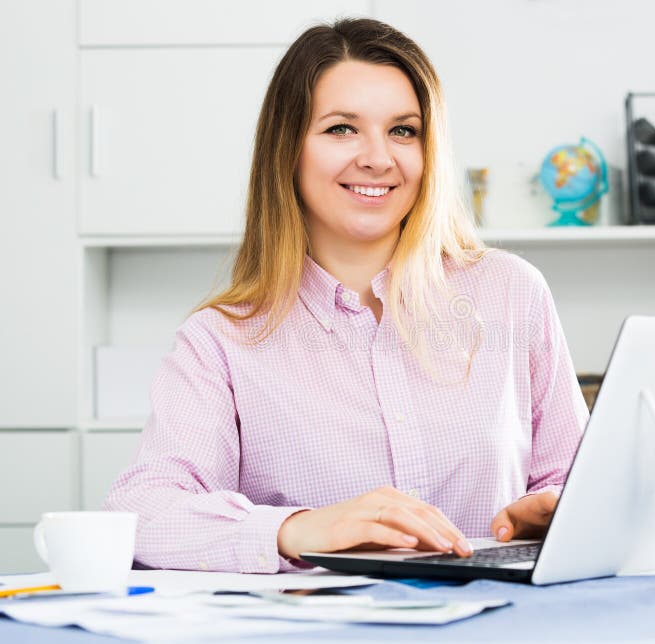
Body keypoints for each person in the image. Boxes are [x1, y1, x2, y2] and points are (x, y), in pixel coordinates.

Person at [105, 18, 588, 574]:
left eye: (403, 131)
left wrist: (554, 510)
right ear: (288, 148)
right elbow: (143, 513)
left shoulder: (510, 292)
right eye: (342, 129)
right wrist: (294, 530)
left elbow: (573, 482)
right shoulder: (221, 340)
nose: (378, 158)